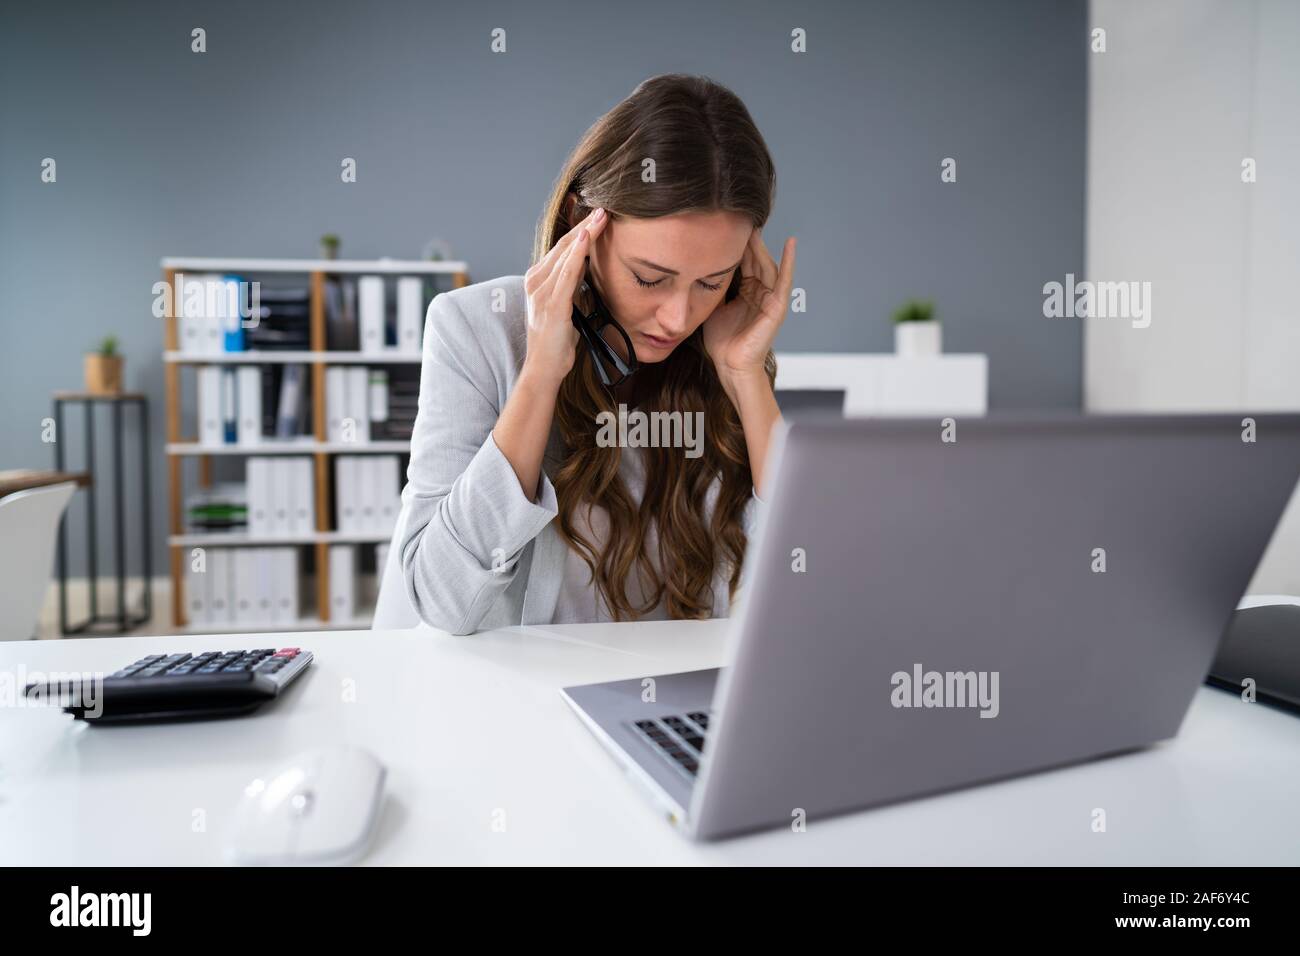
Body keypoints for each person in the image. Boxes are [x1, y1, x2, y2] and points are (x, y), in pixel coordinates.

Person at [387, 73, 797, 635]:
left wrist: (746, 374)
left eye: (711, 281)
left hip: (657, 704)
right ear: (584, 224)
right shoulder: (475, 329)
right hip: (510, 706)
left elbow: (807, 587)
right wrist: (541, 374)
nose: (679, 318)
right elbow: (440, 602)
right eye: (650, 278)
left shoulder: (723, 343)